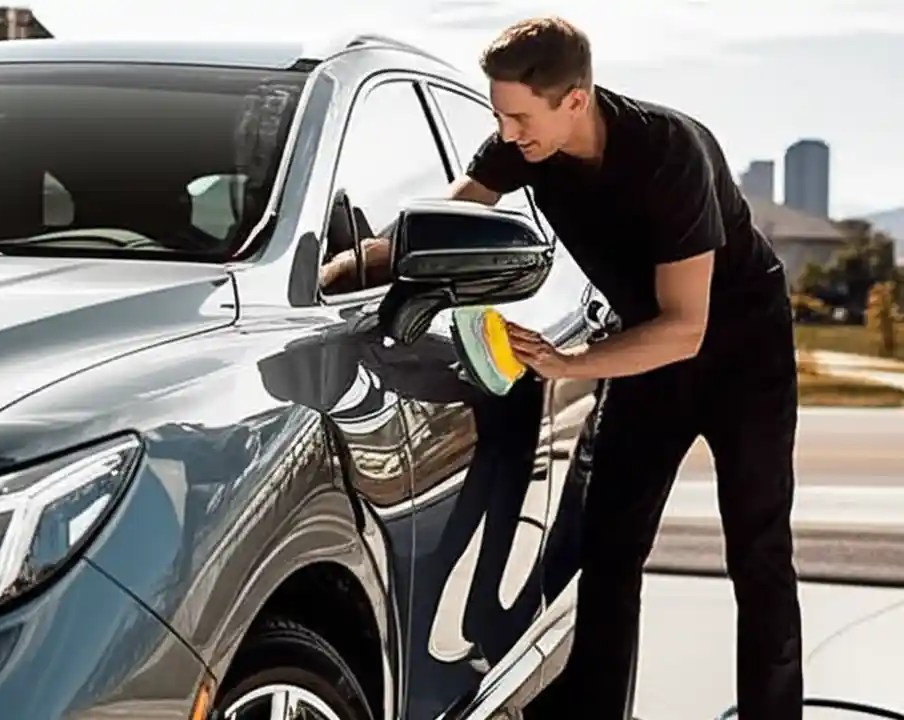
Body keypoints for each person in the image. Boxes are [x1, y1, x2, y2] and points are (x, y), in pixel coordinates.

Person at [319, 15, 803, 720]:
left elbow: (685, 327)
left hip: (738, 349)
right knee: (603, 551)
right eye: (499, 115)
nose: (507, 134)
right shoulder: (524, 145)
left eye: (519, 116)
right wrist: (336, 271)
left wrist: (572, 360)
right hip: (643, 345)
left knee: (758, 553)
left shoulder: (672, 154)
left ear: (575, 99)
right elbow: (439, 223)